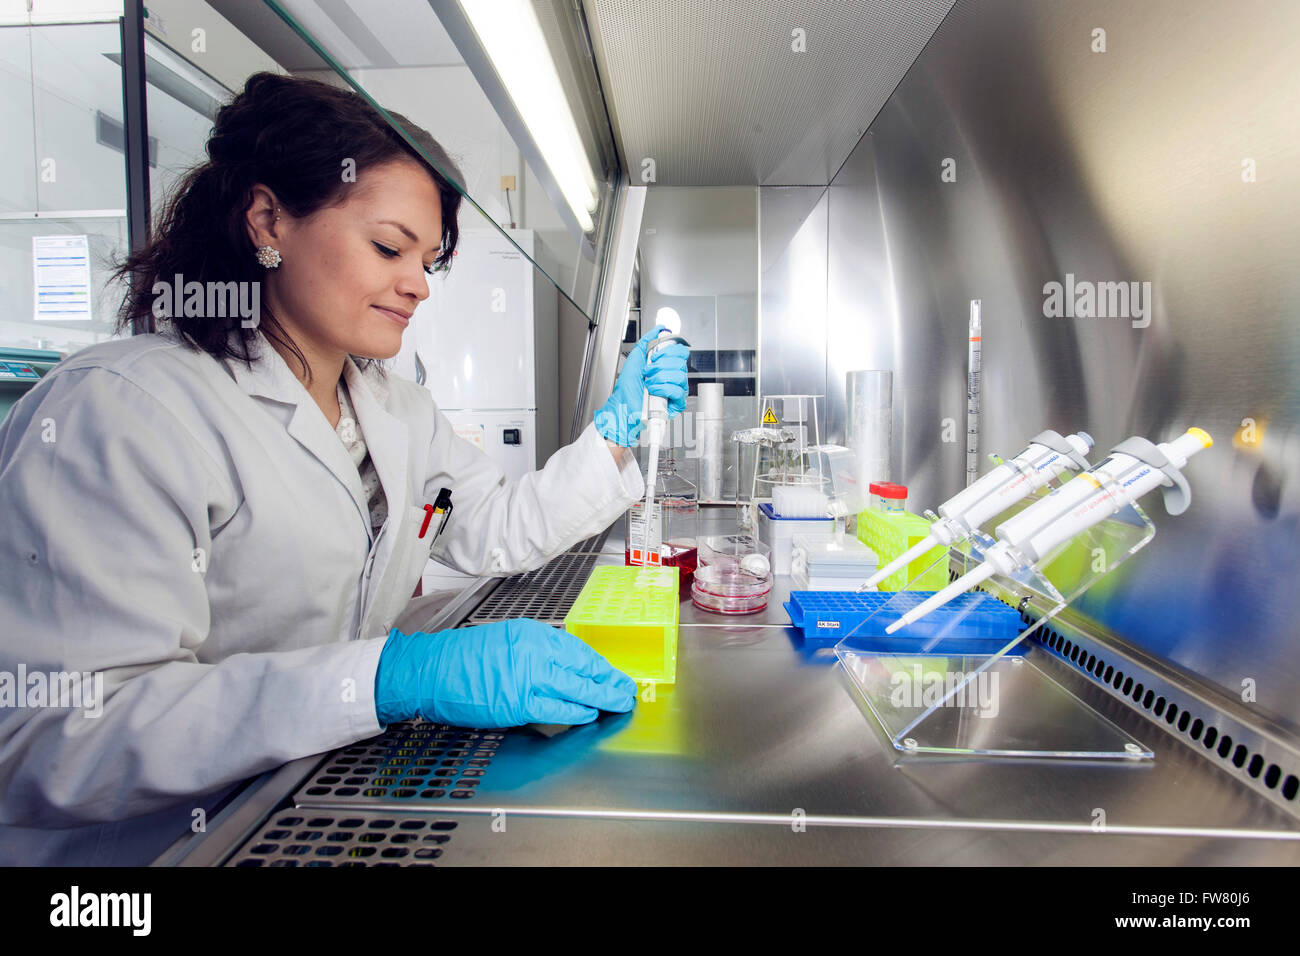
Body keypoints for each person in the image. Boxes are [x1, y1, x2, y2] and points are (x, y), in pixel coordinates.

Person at [0, 72, 689, 865]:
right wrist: (391, 676)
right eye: (390, 247)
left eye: (429, 260)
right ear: (269, 222)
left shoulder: (397, 410)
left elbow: (494, 531)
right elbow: (63, 733)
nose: (418, 285)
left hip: (304, 812)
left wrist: (614, 428)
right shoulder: (124, 411)